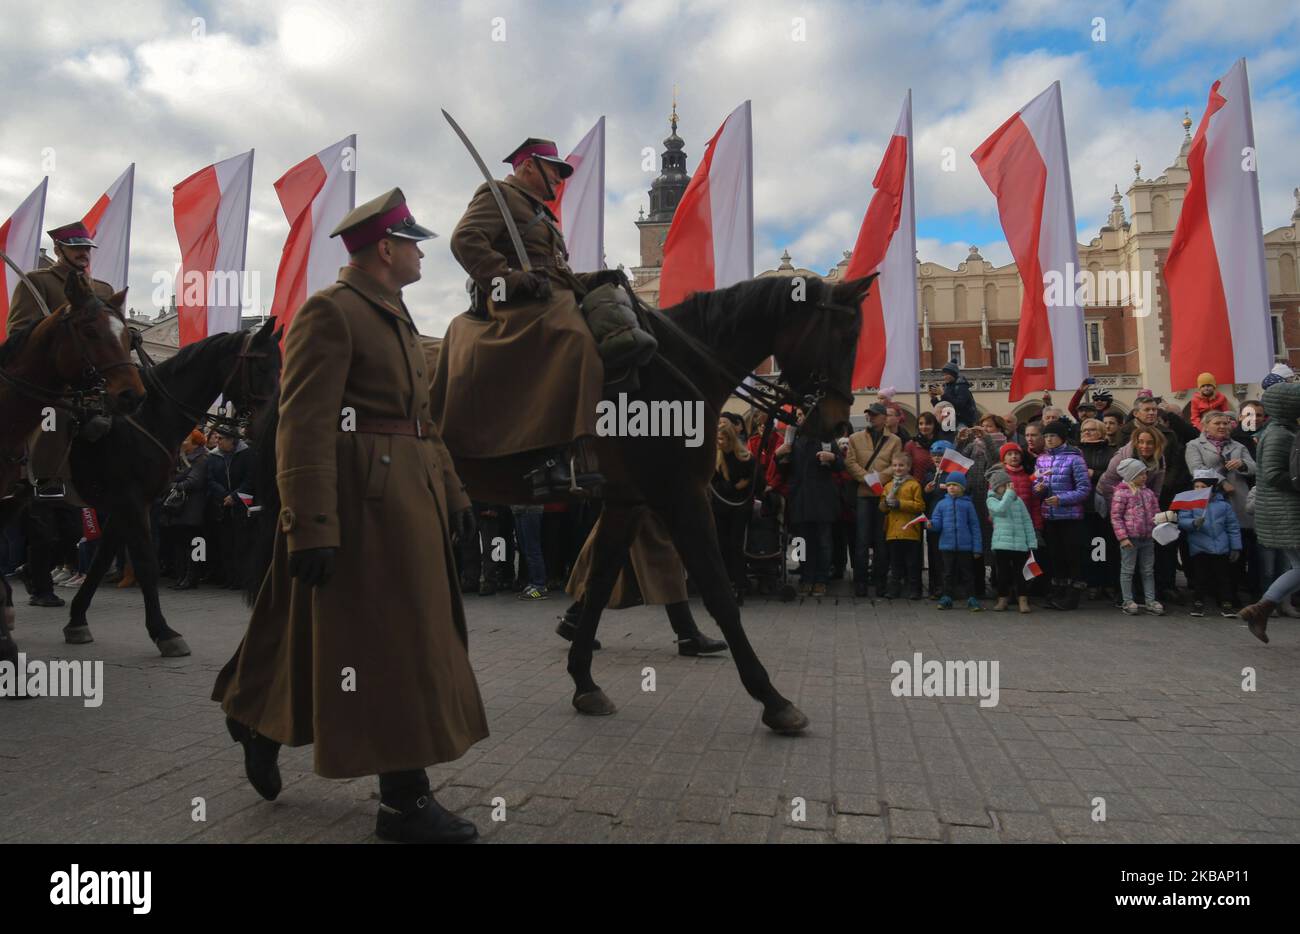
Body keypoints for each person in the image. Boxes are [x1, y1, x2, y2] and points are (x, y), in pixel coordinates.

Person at [213, 188, 487, 844]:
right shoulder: (330, 313)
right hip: (361, 506)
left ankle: (255, 716)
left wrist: (454, 495)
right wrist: (310, 524)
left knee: (344, 633)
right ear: (385, 249)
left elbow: (420, 423)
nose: (423, 250)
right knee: (397, 646)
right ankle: (403, 803)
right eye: (413, 241)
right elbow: (303, 425)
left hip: (404, 499)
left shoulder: (392, 313)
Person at [437, 137, 617, 497]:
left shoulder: (540, 213)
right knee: (575, 339)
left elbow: (556, 272)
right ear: (529, 165)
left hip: (549, 293)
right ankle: (555, 455)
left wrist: (594, 279)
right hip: (515, 301)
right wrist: (509, 279)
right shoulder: (498, 195)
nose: (559, 178)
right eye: (554, 169)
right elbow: (465, 240)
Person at [6, 222, 116, 500]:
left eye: (86, 248)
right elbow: (19, 332)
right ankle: (46, 481)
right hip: (52, 382)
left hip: (96, 379)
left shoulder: (103, 290)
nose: (83, 253)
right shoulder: (38, 281)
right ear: (58, 249)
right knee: (53, 416)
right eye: (76, 247)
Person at [1239, 382, 1300, 642]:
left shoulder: (1281, 431)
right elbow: (1275, 475)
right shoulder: (1279, 435)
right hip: (1285, 509)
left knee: (1297, 566)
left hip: (1284, 509)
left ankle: (1261, 609)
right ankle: (1261, 609)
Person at [1185, 410, 1255, 601]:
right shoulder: (1194, 445)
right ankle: (1210, 591)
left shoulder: (1238, 446)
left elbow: (1254, 467)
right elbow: (1197, 469)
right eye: (1218, 423)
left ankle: (1232, 591)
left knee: (1234, 544)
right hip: (1210, 500)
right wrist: (1222, 481)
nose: (1223, 427)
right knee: (1210, 547)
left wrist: (1242, 464)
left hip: (1236, 500)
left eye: (1226, 423)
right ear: (1206, 426)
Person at [774, 410, 844, 596]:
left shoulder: (826, 439)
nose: (799, 417)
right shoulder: (793, 439)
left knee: (823, 540)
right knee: (801, 541)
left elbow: (840, 466)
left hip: (822, 497)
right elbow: (783, 470)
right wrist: (779, 455)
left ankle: (821, 579)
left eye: (803, 414)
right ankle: (806, 576)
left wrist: (833, 458)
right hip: (800, 497)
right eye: (798, 414)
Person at [843, 402, 902, 597]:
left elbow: (896, 465)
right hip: (862, 495)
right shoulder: (854, 438)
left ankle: (880, 582)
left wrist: (879, 478)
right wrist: (867, 478)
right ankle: (860, 581)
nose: (871, 418)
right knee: (861, 541)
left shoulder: (895, 440)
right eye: (869, 414)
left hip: (883, 495)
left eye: (875, 415)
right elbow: (850, 462)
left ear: (885, 418)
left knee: (881, 541)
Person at [1034, 420, 1091, 610]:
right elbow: (1036, 485)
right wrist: (1039, 489)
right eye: (1047, 436)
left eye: (1053, 436)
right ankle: (1057, 592)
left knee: (1072, 556)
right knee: (1055, 556)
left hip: (1070, 516)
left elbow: (1084, 489)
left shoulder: (1075, 458)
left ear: (1062, 438)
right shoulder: (1041, 459)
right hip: (1049, 516)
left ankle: (1072, 595)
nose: (1049, 439)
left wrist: (1061, 499)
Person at [1172, 469, 1242, 618]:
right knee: (1200, 577)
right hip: (1199, 547)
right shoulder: (1190, 504)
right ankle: (1198, 602)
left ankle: (1226, 603)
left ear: (1212, 488)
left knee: (1223, 577)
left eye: (1203, 487)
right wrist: (1193, 523)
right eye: (1196, 487)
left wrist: (1235, 546)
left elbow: (1233, 527)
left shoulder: (1224, 506)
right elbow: (1182, 521)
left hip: (1221, 548)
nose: (1199, 490)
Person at [1109, 457, 1163, 616]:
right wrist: (1123, 537)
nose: (1144, 477)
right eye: (1140, 474)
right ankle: (1127, 600)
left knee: (1148, 570)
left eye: (1144, 473)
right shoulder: (1121, 493)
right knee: (1128, 570)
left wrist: (1164, 519)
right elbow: (1116, 517)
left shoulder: (1148, 493)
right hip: (1130, 539)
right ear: (1131, 475)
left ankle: (1150, 600)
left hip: (1147, 537)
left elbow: (1156, 512)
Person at [161, 430, 211, 591]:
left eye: (186, 440)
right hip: (183, 508)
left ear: (195, 443)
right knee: (182, 543)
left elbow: (193, 481)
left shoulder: (201, 459)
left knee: (196, 543)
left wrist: (172, 485)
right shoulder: (184, 459)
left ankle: (193, 577)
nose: (183, 443)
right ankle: (182, 575)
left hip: (195, 507)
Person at [206, 425, 255, 590]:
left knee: (240, 543)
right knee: (225, 543)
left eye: (221, 439)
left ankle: (241, 578)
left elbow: (250, 479)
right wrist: (224, 495)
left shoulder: (246, 454)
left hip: (242, 504)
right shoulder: (213, 457)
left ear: (231, 440)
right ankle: (229, 577)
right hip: (222, 504)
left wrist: (234, 496)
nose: (217, 441)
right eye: (217, 438)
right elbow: (210, 479)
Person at [711, 418, 754, 602]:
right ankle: (725, 582)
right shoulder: (715, 460)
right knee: (722, 545)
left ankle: (739, 582)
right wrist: (735, 487)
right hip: (721, 506)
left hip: (739, 508)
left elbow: (753, 482)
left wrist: (735, 487)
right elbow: (715, 486)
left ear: (730, 439)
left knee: (735, 545)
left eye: (722, 439)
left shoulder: (745, 458)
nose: (719, 443)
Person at [986, 465, 1035, 613]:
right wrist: (1008, 494)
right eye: (1004, 486)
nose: (1008, 488)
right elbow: (1000, 509)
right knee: (1003, 574)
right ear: (996, 487)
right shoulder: (991, 500)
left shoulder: (1018, 501)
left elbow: (1027, 521)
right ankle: (1003, 599)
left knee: (1021, 574)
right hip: (1002, 544)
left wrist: (1031, 542)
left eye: (1008, 485)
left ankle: (1023, 599)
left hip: (1019, 544)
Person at [1078, 418, 1118, 600]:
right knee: (1091, 546)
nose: (1086, 433)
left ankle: (1109, 582)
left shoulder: (1112, 452)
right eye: (1084, 430)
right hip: (1085, 506)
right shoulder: (1077, 453)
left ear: (1101, 432)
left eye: (1091, 430)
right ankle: (1093, 583)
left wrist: (1095, 474)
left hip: (1107, 506)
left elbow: (1116, 476)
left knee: (1107, 545)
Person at [929, 474, 982, 611]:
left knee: (967, 573)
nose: (951, 488)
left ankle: (971, 597)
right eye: (949, 485)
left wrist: (977, 548)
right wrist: (931, 525)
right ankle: (947, 597)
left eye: (955, 485)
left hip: (965, 546)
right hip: (947, 546)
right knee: (947, 573)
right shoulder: (941, 504)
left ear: (962, 488)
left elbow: (975, 526)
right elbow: (937, 523)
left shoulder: (968, 505)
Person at [878, 452, 924, 599]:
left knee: (912, 563)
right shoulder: (888, 486)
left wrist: (900, 504)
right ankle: (894, 590)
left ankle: (915, 590)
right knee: (895, 563)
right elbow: (882, 508)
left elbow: (920, 506)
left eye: (901, 465)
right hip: (893, 531)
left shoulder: (914, 485)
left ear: (908, 467)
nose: (898, 468)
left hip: (910, 530)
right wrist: (885, 503)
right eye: (895, 465)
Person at [928, 360, 978, 429]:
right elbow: (942, 408)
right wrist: (933, 398)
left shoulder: (962, 386)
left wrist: (943, 394)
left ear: (953, 374)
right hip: (950, 421)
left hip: (962, 421)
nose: (944, 377)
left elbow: (959, 405)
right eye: (944, 375)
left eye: (947, 374)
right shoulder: (946, 387)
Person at [905, 412, 939, 484]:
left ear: (934, 425)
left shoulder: (941, 444)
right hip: (916, 487)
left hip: (937, 487)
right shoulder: (911, 445)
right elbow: (906, 469)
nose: (924, 427)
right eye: (921, 424)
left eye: (928, 424)